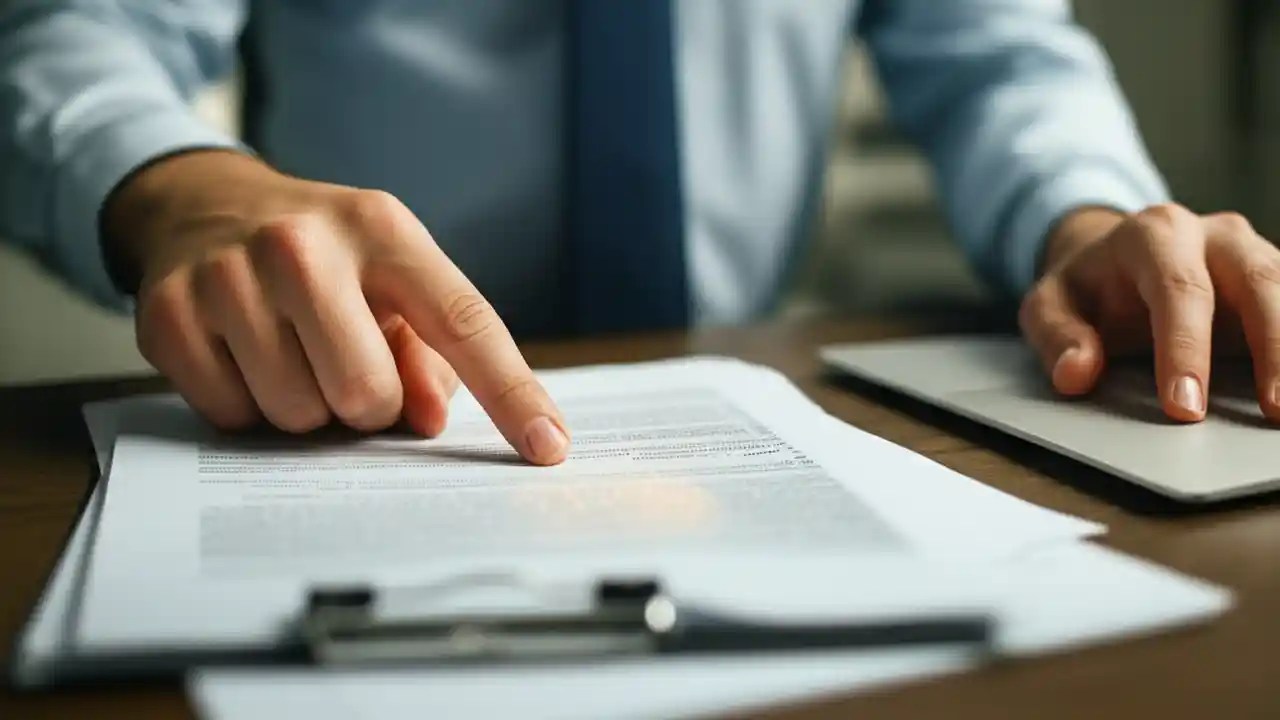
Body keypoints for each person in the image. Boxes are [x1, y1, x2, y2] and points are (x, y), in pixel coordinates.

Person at [2, 2, 1277, 468]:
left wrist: (1090, 216)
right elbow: (79, 30)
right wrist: (181, 185)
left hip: (748, 397)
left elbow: (995, 53)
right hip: (348, 406)